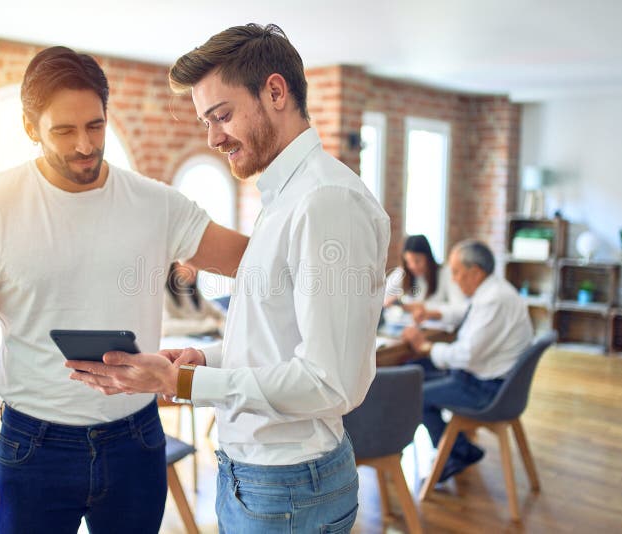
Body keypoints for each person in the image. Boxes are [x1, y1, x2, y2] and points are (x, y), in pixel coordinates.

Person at [67, 23, 390, 533]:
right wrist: (205, 359)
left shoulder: (326, 202)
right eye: (206, 121)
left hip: (289, 487)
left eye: (222, 116)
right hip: (259, 478)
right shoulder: (284, 198)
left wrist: (186, 381)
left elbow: (331, 383)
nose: (214, 137)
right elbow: (278, 342)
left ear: (276, 92)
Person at [0, 46, 248, 534]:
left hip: (136, 439)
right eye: (63, 130)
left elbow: (253, 262)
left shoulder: (154, 203)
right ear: (29, 127)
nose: (84, 145)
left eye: (95, 126)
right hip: (31, 448)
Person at [402, 240, 533, 482]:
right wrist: (433, 312)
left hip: (487, 389)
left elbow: (465, 355)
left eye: (456, 272)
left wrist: (425, 346)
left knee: (414, 393)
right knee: (413, 372)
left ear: (475, 273)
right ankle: (460, 449)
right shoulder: (493, 291)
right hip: (494, 380)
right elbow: (466, 312)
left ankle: (456, 453)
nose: (453, 279)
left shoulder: (493, 300)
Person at [384, 234, 467, 326]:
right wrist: (395, 302)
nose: (413, 266)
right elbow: (382, 297)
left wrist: (426, 310)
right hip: (405, 327)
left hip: (436, 331)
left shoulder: (445, 273)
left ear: (428, 258)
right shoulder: (403, 273)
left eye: (417, 261)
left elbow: (460, 309)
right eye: (408, 262)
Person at [162, 261, 225, 337]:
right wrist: (208, 325)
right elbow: (166, 326)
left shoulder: (192, 289)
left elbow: (218, 313)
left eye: (197, 266)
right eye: (191, 264)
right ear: (176, 264)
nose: (195, 269)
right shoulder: (164, 292)